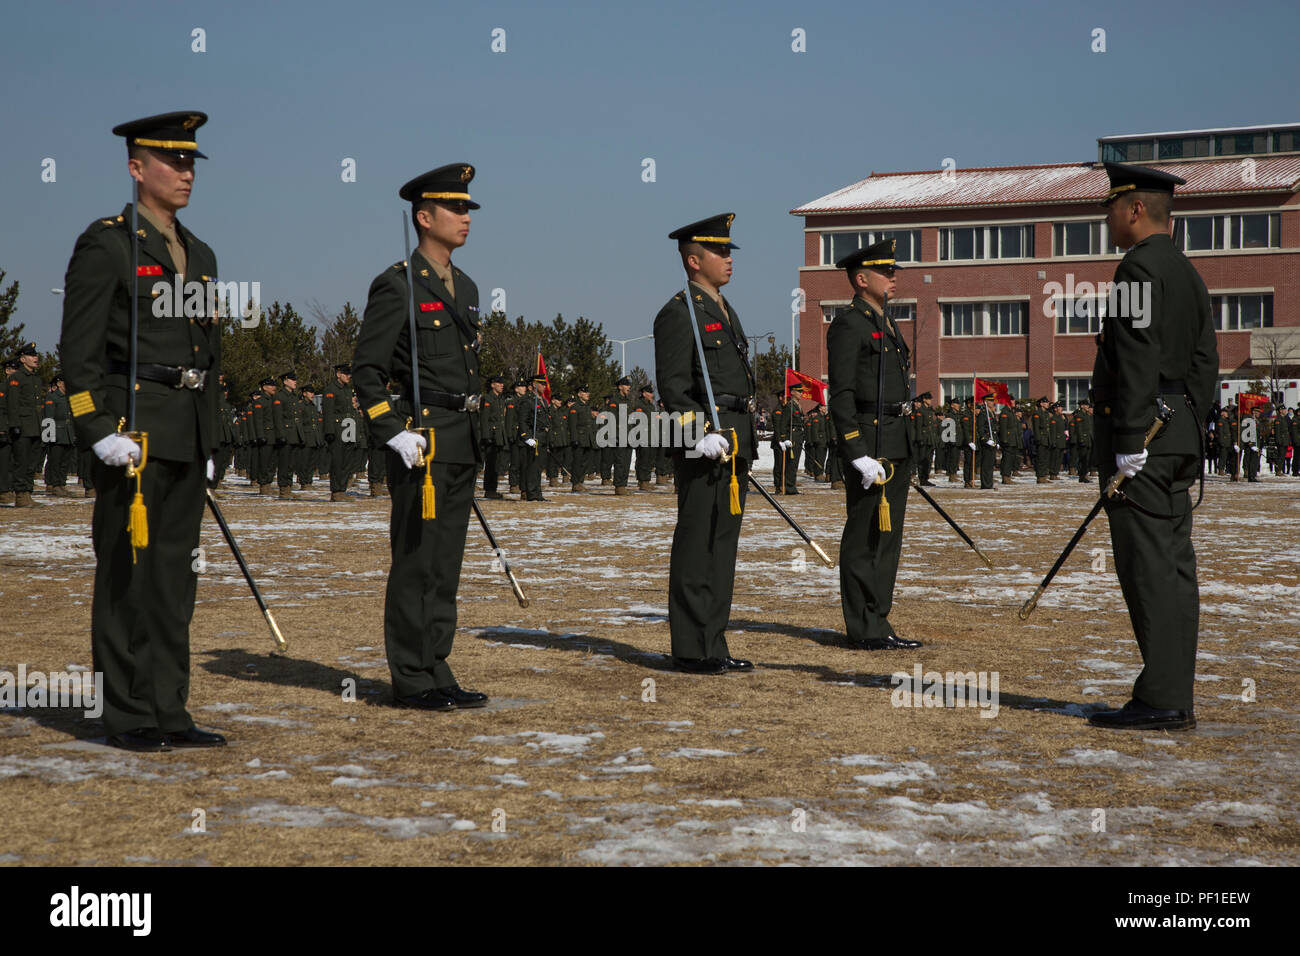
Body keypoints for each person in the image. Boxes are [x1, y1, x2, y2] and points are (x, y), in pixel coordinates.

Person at [59, 110, 226, 751]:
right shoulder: (106, 245)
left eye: (189, 162)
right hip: (133, 433)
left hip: (185, 432)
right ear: (136, 168)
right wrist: (97, 427)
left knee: (175, 576)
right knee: (128, 573)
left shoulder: (201, 254)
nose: (184, 172)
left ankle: (168, 708)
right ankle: (126, 713)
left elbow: (211, 360)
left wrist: (211, 440)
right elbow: (78, 353)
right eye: (171, 161)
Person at [1087, 162, 1218, 732]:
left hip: (1145, 440)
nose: (1107, 216)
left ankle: (1162, 694)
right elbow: (1205, 364)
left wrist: (1129, 437)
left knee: (1148, 569)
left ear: (1135, 209)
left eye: (1111, 206)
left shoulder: (1136, 269)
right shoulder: (1186, 272)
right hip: (1178, 435)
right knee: (1173, 567)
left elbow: (1136, 357)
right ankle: (1172, 690)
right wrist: (1188, 422)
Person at [352, 163, 488, 712]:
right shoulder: (397, 283)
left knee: (446, 563)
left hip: (460, 437)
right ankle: (410, 675)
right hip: (421, 439)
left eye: (468, 209)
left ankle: (437, 664)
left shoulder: (469, 285)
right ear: (423, 216)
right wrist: (392, 431)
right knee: (416, 561)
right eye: (455, 209)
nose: (465, 217)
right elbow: (366, 371)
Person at [654, 212, 756, 673]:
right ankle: (691, 648)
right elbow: (674, 390)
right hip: (706, 443)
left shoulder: (724, 310)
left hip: (735, 438)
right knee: (698, 546)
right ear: (694, 261)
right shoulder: (679, 313)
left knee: (723, 549)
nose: (728, 259)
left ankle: (714, 642)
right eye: (719, 252)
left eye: (729, 251)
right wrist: (699, 433)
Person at [826, 239, 921, 650]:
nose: (894, 276)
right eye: (886, 271)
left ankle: (879, 618)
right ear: (862, 279)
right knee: (865, 534)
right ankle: (862, 624)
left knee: (888, 536)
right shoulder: (851, 323)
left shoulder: (885, 321)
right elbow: (842, 393)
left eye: (894, 270)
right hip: (869, 437)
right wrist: (856, 451)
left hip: (896, 437)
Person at [6, 344, 43, 507]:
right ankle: (20, 495)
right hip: (22, 426)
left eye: (35, 355)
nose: (35, 358)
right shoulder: (17, 378)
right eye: (31, 355)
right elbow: (12, 403)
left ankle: (27, 492)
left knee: (31, 462)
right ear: (22, 359)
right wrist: (14, 424)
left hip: (35, 426)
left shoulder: (35, 379)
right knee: (21, 461)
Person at [323, 363, 356, 502]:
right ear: (338, 374)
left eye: (350, 373)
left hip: (349, 427)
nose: (349, 376)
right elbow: (328, 412)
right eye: (346, 373)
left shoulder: (347, 390)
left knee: (347, 461)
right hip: (337, 429)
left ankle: (342, 490)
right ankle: (336, 491)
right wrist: (329, 431)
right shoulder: (331, 389)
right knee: (337, 461)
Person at [42, 372, 78, 497]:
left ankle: (61, 484)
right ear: (59, 383)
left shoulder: (69, 397)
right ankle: (54, 484)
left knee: (65, 461)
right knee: (55, 461)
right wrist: (49, 436)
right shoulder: (52, 397)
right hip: (56, 433)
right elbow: (48, 418)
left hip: (68, 433)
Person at [478, 375, 507, 498]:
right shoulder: (488, 398)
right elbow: (484, 418)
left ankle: (492, 489)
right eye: (499, 383)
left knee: (496, 464)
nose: (502, 385)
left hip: (498, 435)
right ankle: (489, 490)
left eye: (502, 383)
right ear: (492, 385)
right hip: (491, 434)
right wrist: (485, 435)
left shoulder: (499, 399)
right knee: (490, 464)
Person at [974, 393, 998, 489]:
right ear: (986, 402)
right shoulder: (983, 414)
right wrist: (986, 440)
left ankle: (989, 483)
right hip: (986, 442)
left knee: (990, 464)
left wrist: (997, 441)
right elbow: (980, 429)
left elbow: (994, 429)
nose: (992, 402)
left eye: (993, 400)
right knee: (986, 464)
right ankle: (985, 484)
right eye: (990, 401)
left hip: (993, 441)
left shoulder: (991, 413)